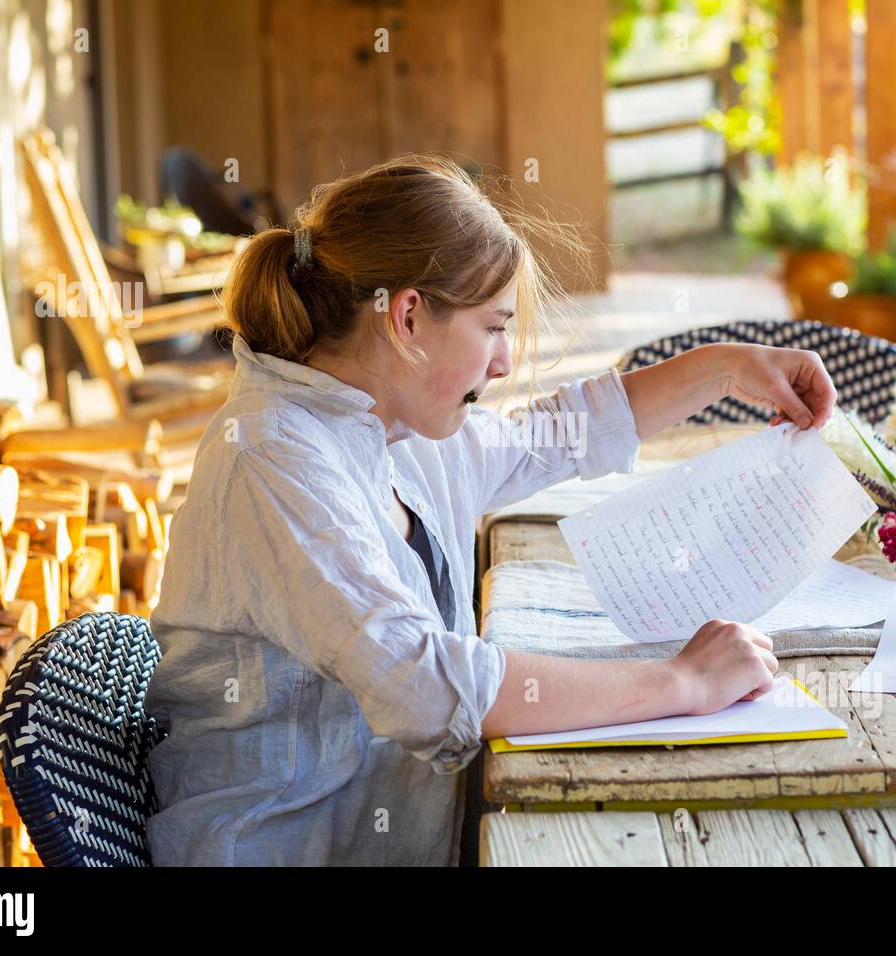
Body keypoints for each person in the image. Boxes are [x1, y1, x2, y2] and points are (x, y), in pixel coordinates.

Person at [143, 155, 837, 865]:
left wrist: (729, 366)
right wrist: (683, 682)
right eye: (493, 327)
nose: (503, 362)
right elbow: (421, 683)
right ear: (408, 317)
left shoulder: (385, 423)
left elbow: (548, 439)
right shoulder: (274, 456)